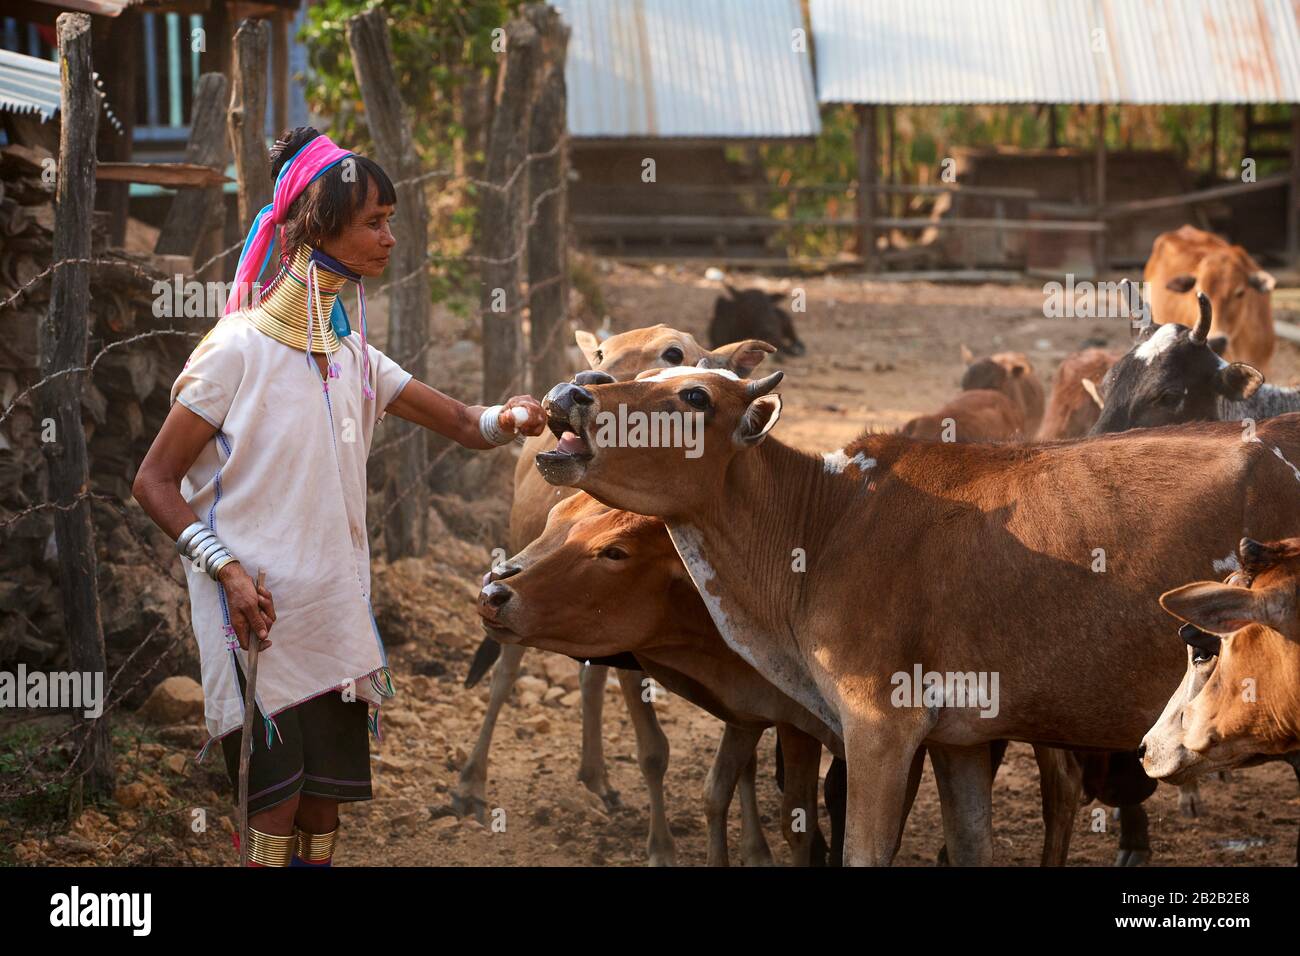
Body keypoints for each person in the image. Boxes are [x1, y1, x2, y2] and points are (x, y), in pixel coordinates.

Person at [132, 127, 545, 867]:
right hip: (253, 617)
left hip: (330, 614)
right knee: (274, 811)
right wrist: (225, 570)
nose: (391, 238)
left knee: (323, 810)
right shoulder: (235, 352)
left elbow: (458, 421)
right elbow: (152, 481)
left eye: (391, 220)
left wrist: (508, 417)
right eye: (375, 222)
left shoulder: (352, 354)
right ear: (319, 230)